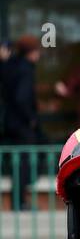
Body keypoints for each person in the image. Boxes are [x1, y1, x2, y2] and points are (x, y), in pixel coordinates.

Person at [0, 35, 41, 210]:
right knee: (25, 162)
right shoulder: (25, 69)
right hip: (21, 125)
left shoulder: (10, 65)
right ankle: (20, 201)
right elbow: (21, 97)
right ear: (32, 52)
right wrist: (31, 119)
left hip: (9, 122)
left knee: (17, 162)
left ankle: (19, 200)